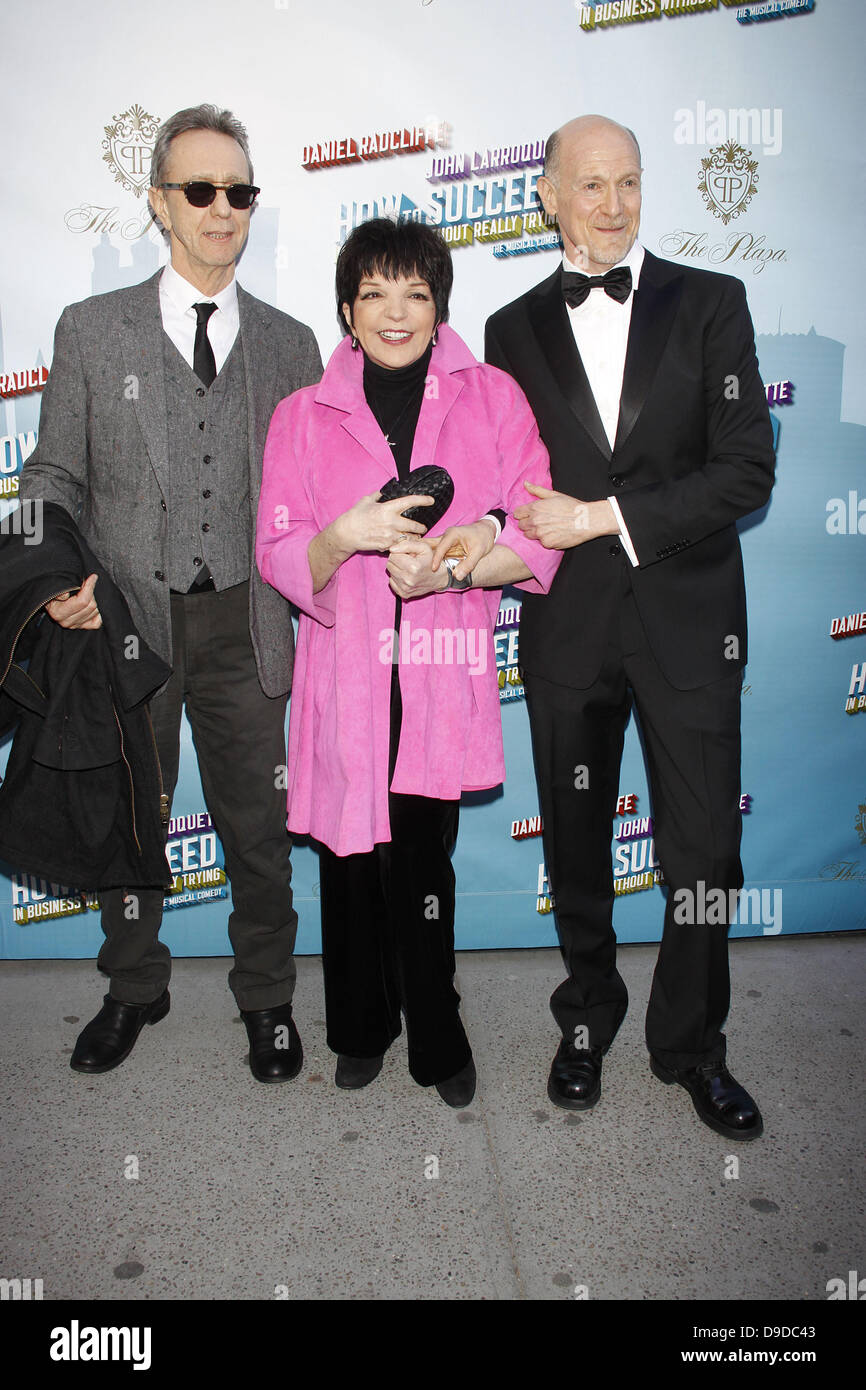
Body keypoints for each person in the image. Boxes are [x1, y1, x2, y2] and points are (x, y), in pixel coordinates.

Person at [484, 115, 776, 1139]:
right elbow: (507, 485)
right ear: (548, 197)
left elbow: (746, 469)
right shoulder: (509, 329)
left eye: (629, 184)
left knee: (701, 851)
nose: (610, 206)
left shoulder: (711, 304)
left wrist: (604, 516)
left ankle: (692, 1043)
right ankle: (585, 1015)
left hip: (690, 624)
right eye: (589, 185)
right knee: (574, 843)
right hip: (567, 629)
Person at [20, 104, 322, 1082]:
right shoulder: (91, 332)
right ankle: (135, 985)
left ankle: (268, 996)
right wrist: (61, 580)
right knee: (131, 818)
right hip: (127, 624)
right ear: (159, 201)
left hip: (244, 619)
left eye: (239, 191)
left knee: (257, 826)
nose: (222, 208)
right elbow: (50, 481)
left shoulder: (289, 345)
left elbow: (316, 496)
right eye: (200, 189)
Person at [256, 217, 560, 1107]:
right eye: (375, 294)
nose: (396, 313)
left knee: (424, 860)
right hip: (345, 668)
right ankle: (359, 1024)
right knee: (349, 859)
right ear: (348, 310)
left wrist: (463, 556)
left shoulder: (492, 395)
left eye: (416, 294)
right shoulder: (299, 415)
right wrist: (342, 536)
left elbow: (535, 528)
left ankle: (436, 1031)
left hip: (433, 665)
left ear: (439, 305)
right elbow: (278, 550)